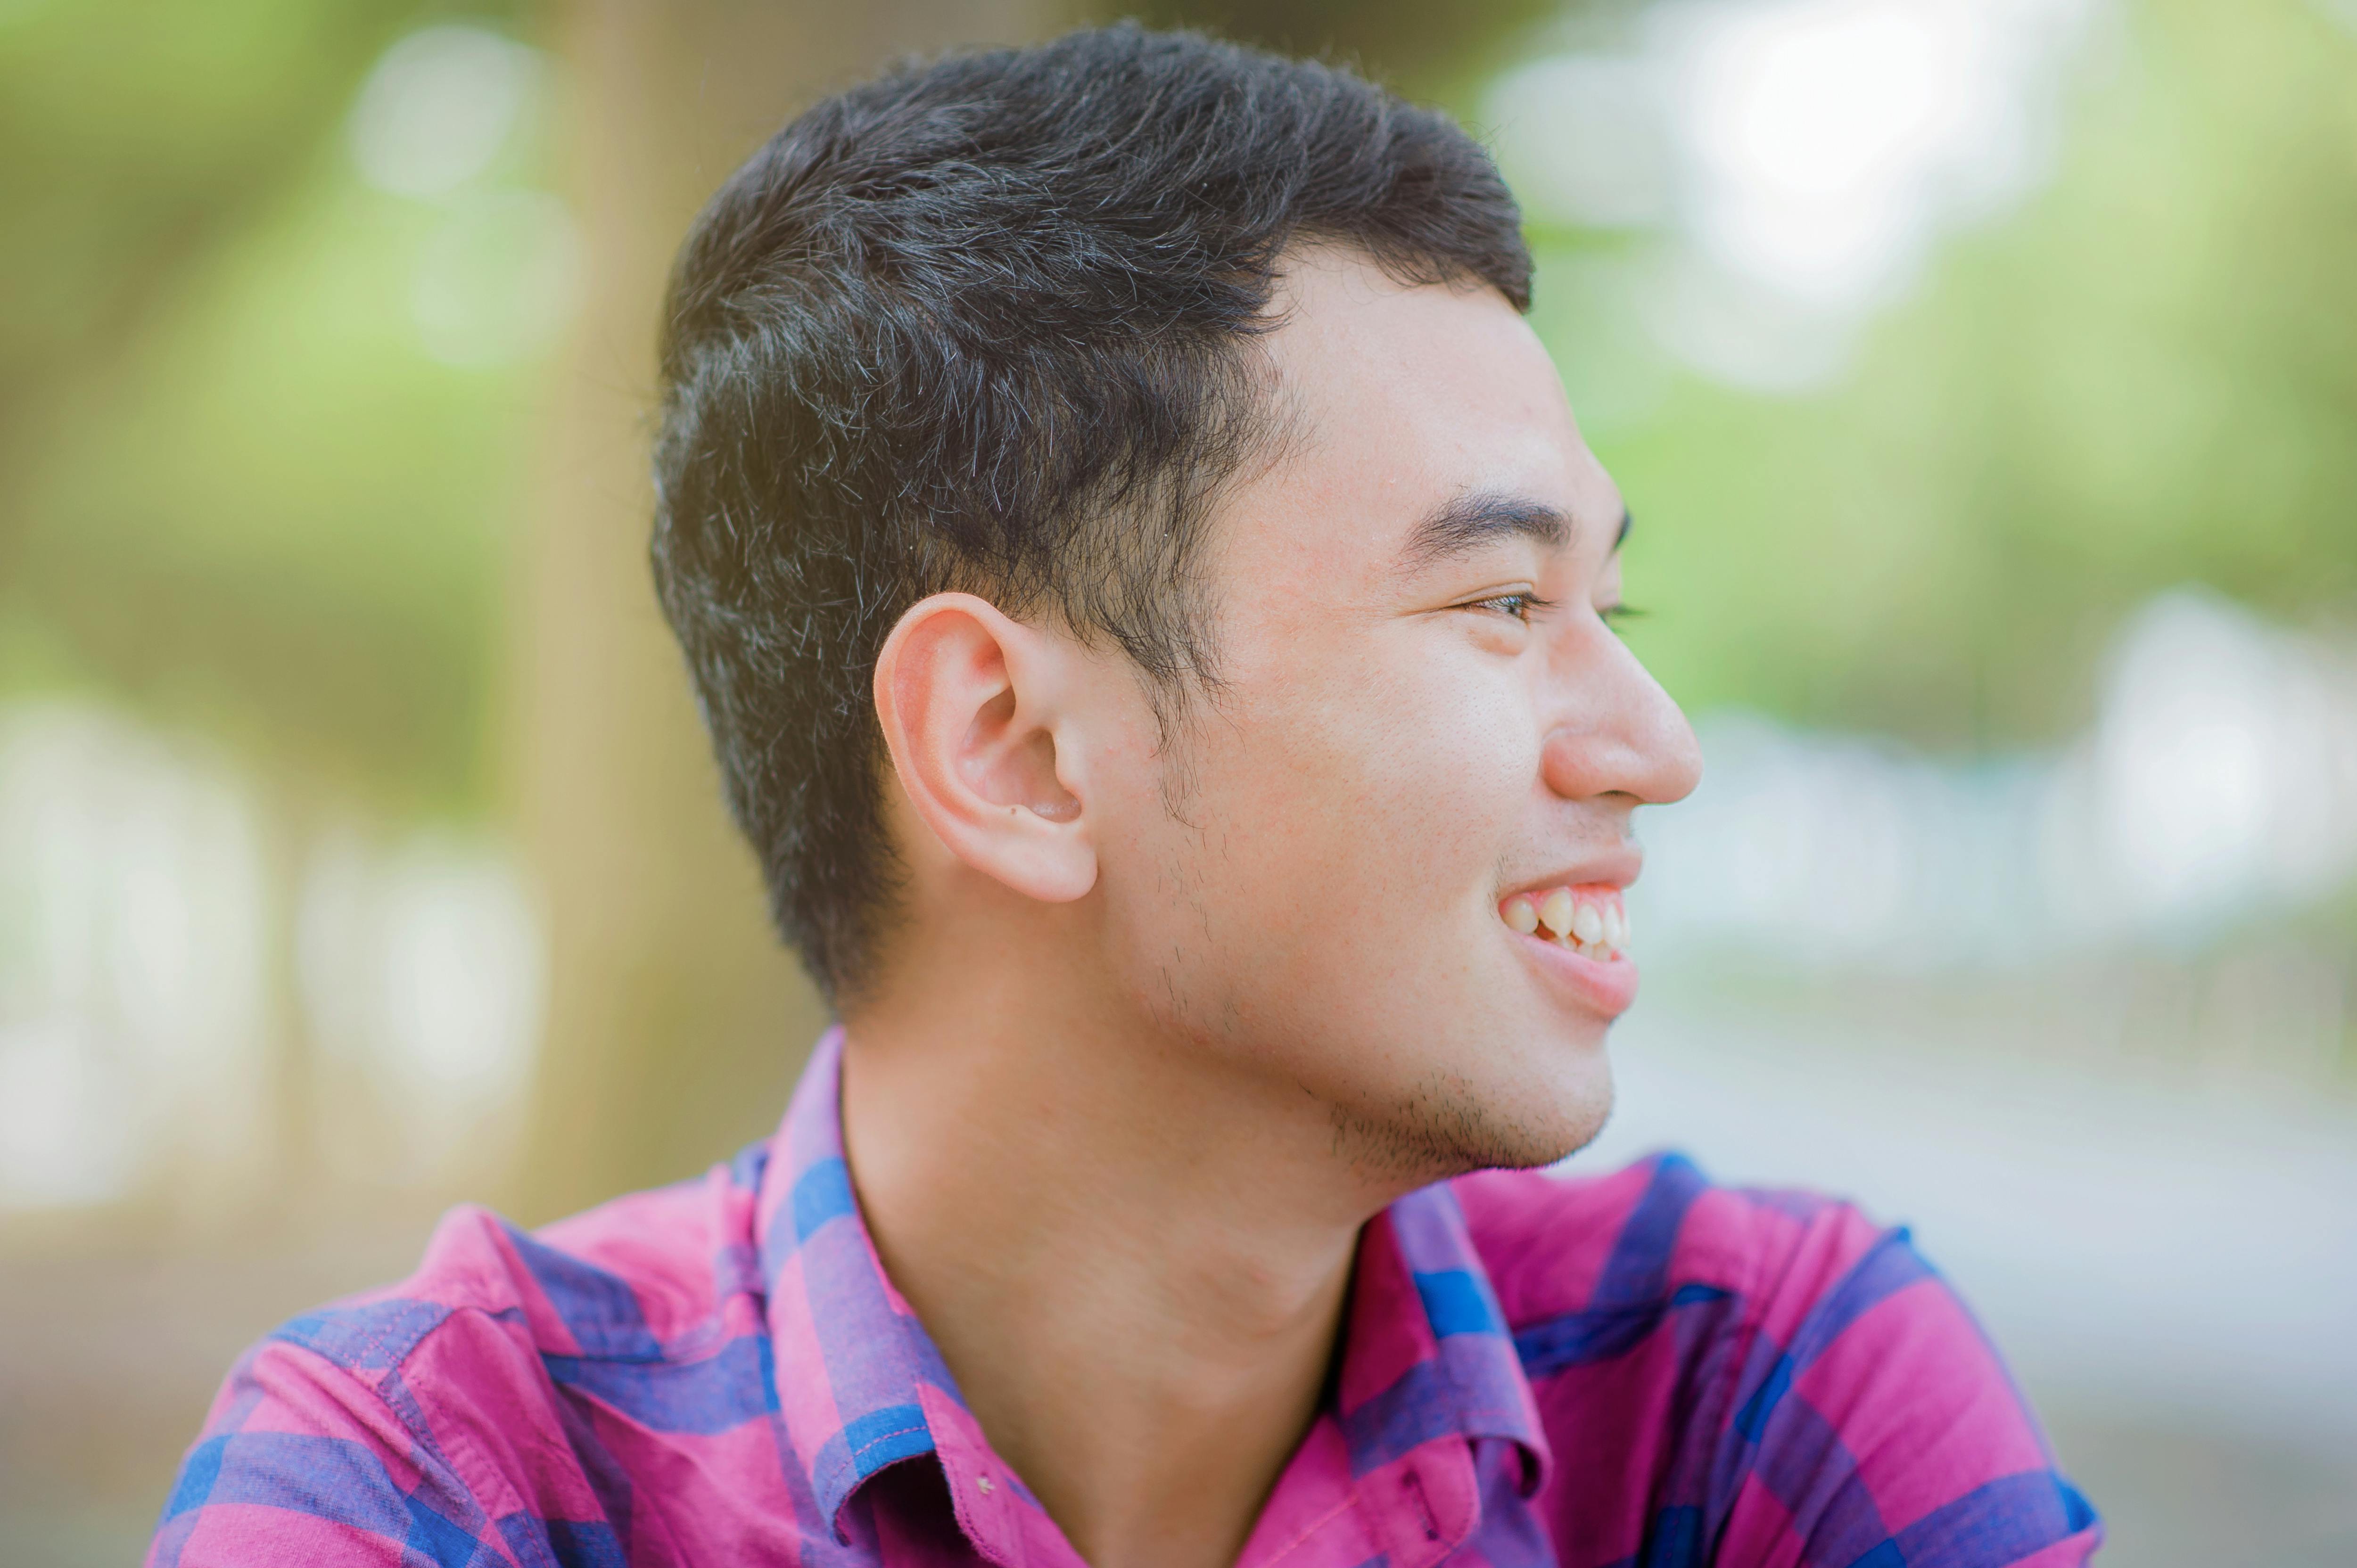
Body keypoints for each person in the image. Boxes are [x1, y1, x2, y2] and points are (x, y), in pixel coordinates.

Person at [147, 25, 2100, 1568]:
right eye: (1501, 603)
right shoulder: (437, 1484)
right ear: (1004, 747)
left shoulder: (1746, 1400)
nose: (1653, 745)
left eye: (1609, 598)